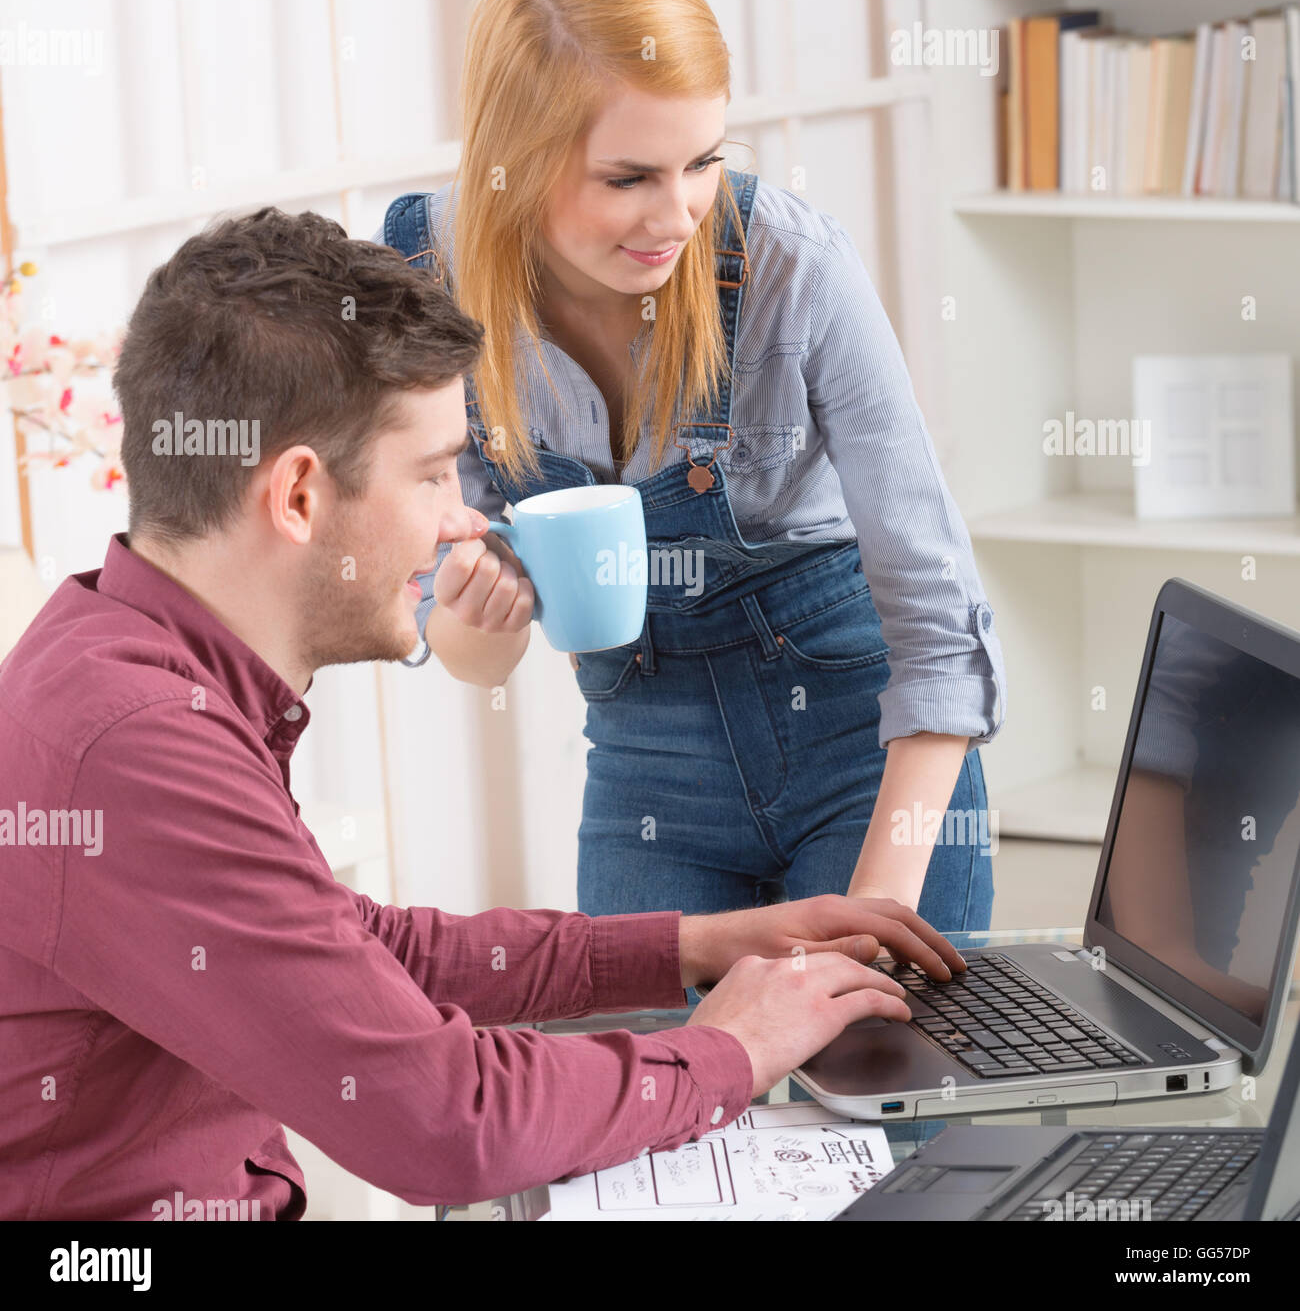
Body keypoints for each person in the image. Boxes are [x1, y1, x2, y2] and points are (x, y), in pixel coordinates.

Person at [0, 206, 967, 1218]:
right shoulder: (139, 746)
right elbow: (447, 1122)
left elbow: (353, 951)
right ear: (295, 498)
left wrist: (692, 944)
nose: (464, 517)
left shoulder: (117, 658)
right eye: (429, 474)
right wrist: (728, 1047)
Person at [383, 0, 1007, 955]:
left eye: (704, 161)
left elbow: (938, 622)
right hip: (647, 766)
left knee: (871, 1100)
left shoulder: (789, 265)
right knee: (650, 1102)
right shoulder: (425, 273)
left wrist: (878, 907)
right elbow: (460, 646)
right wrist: (475, 608)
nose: (676, 216)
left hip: (865, 745)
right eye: (628, 177)